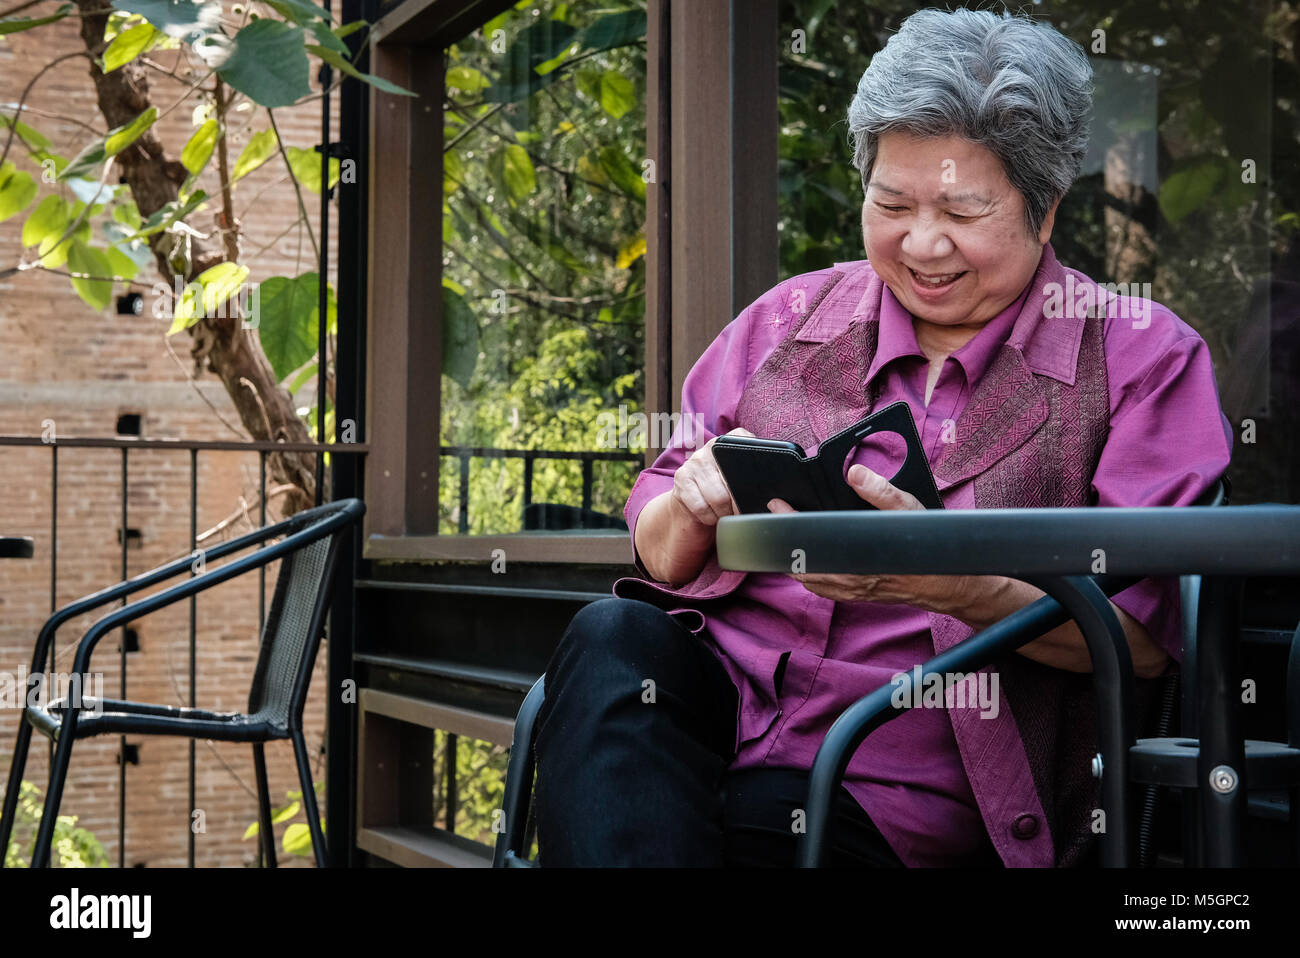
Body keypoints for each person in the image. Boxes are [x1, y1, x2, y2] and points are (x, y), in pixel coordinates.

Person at [533, 7, 1233, 867]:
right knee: (611, 639)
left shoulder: (1136, 356)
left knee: (758, 825)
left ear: (1045, 211)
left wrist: (947, 582)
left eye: (964, 212)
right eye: (891, 203)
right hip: (712, 718)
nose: (922, 244)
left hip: (904, 777)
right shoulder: (790, 318)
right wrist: (690, 504)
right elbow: (658, 551)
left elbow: (1147, 644)